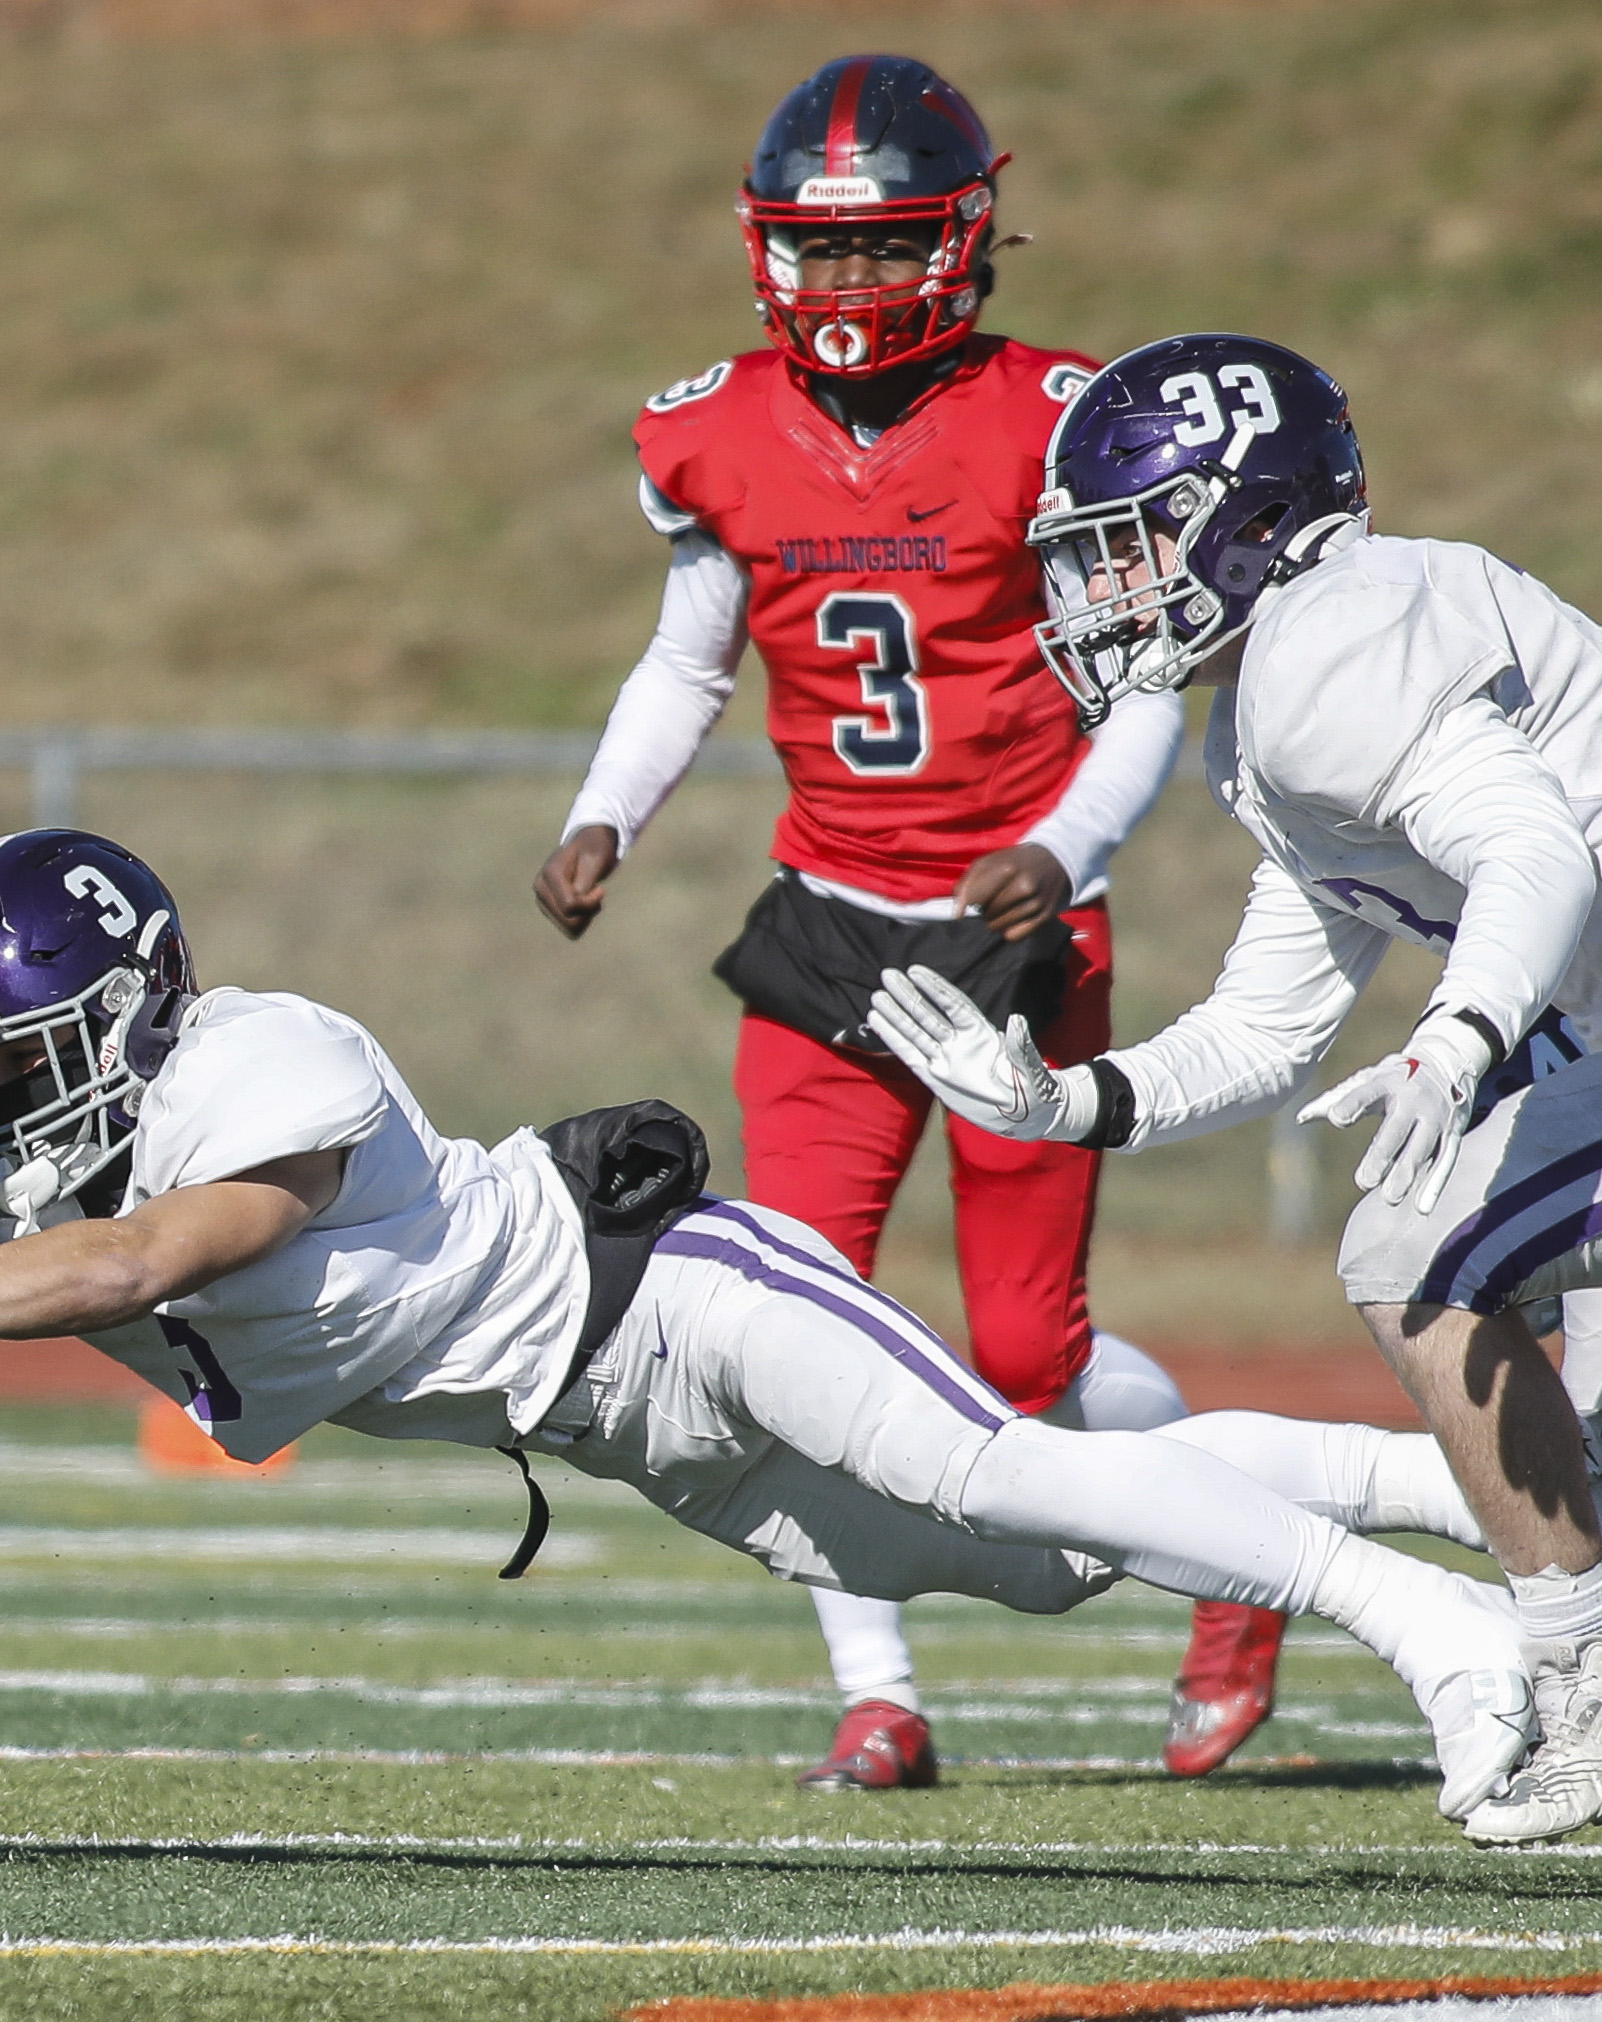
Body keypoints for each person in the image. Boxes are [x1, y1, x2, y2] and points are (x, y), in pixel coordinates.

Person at [0, 827, 1545, 1841]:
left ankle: (1437, 1630)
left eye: (15, 1048)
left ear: (130, 1015)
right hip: (621, 1438)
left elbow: (138, 1265)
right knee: (1051, 1555)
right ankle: (1460, 1500)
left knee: (993, 1458)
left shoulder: (267, 1063)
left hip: (667, 1297)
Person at [529, 54, 1273, 1792]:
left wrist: (1066, 843)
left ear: (964, 241)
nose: (847, 286)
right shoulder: (713, 429)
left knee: (1025, 1351)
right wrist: (601, 811)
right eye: (817, 250)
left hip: (1006, 939)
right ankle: (877, 1693)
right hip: (824, 931)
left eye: (883, 252)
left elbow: (1151, 682)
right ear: (762, 247)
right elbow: (686, 656)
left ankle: (1242, 1570)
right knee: (793, 1322)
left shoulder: (1060, 418)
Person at [865, 332, 1602, 1845]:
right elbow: (1266, 1024)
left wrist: (1459, 1038)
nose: (1096, 590)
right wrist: (1067, 1102)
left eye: (1124, 545)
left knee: (1406, 1245)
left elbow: (1534, 854)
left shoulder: (1331, 641)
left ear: (1246, 517)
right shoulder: (1285, 698)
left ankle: (1590, 1668)